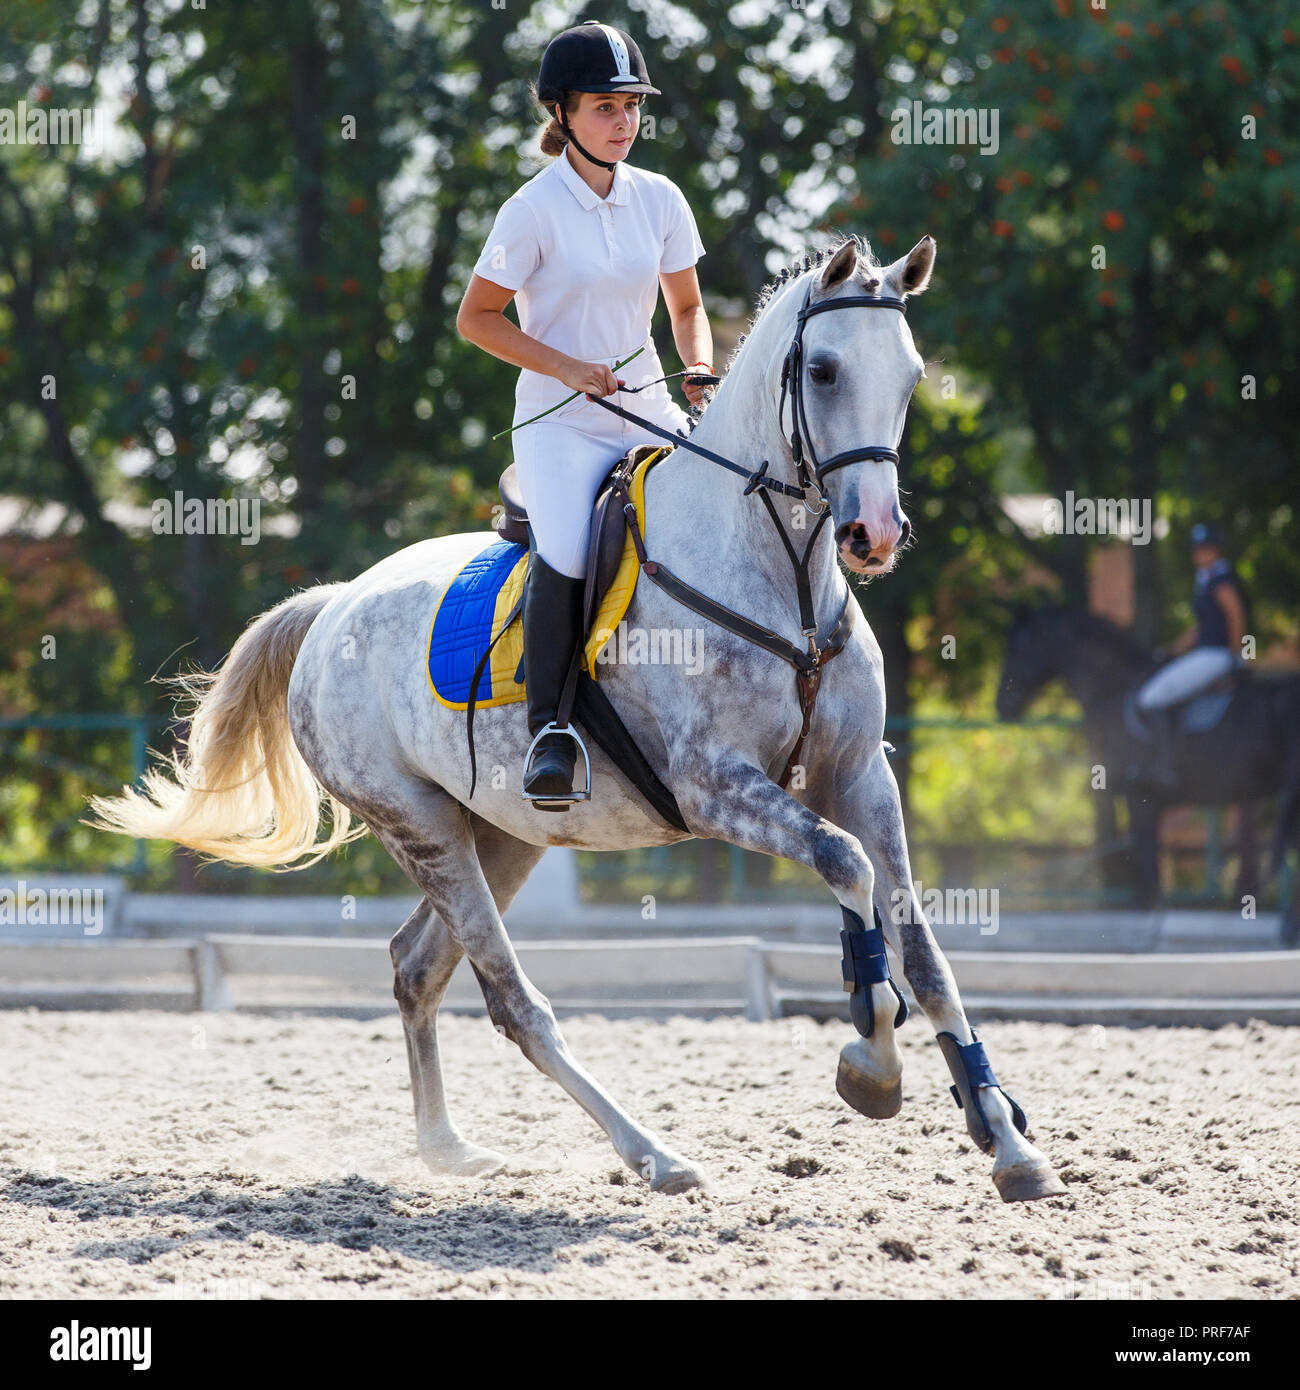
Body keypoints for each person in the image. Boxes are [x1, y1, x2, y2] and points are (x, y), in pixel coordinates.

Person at [456, 19, 714, 806]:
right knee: (568, 549)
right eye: (606, 106)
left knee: (724, 512)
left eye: (633, 106)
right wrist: (569, 368)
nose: (625, 121)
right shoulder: (531, 211)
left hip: (646, 407)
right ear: (562, 113)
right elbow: (477, 319)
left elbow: (689, 304)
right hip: (559, 422)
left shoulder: (660, 198)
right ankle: (551, 729)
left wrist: (699, 364)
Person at [1135, 522, 1251, 785]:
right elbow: (1201, 628)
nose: (1199, 555)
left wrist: (1236, 655)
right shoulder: (1206, 581)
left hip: (1217, 656)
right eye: (1196, 550)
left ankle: (1166, 765)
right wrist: (1171, 650)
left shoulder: (1221, 580)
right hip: (1206, 653)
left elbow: (1236, 616)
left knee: (1152, 697)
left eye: (1205, 549)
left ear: (1217, 551)